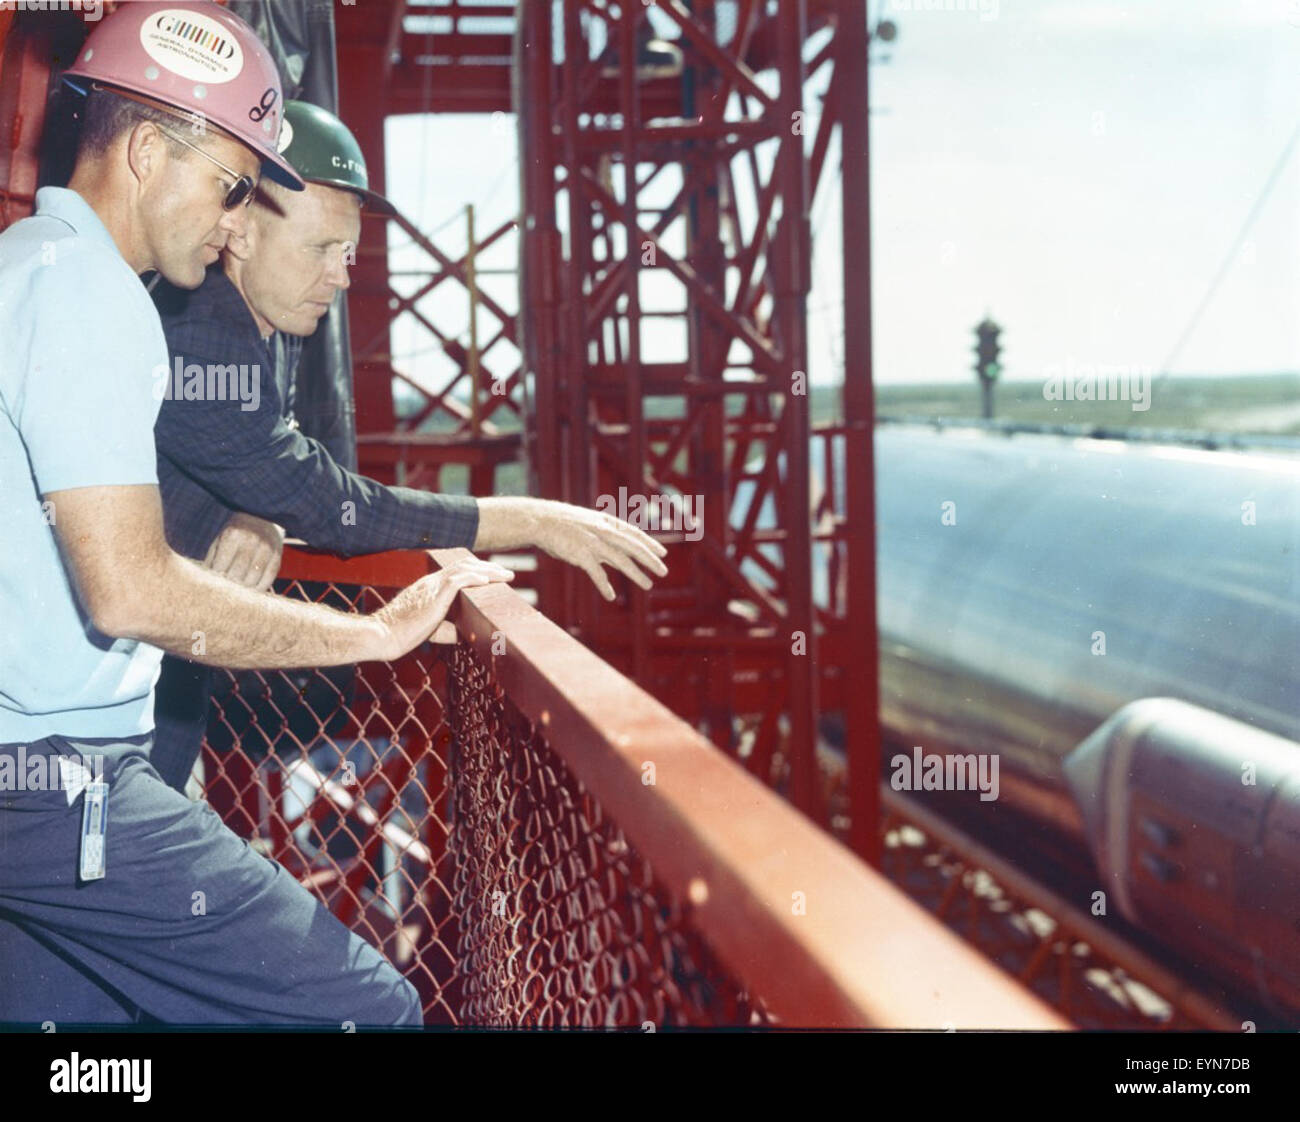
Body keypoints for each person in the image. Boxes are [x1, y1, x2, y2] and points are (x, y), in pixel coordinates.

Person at [0, 0, 516, 1027]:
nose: (239, 226)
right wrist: (366, 634)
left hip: (29, 786)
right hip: (62, 785)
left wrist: (261, 520)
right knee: (371, 1009)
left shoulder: (24, 267)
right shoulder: (96, 298)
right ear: (149, 151)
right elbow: (133, 587)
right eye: (232, 189)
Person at [147, 98, 669, 793]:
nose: (341, 275)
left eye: (348, 252)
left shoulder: (241, 325)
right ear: (239, 231)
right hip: (96, 713)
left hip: (145, 693)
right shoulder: (203, 327)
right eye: (319, 249)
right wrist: (534, 521)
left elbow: (251, 463)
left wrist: (254, 512)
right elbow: (329, 504)